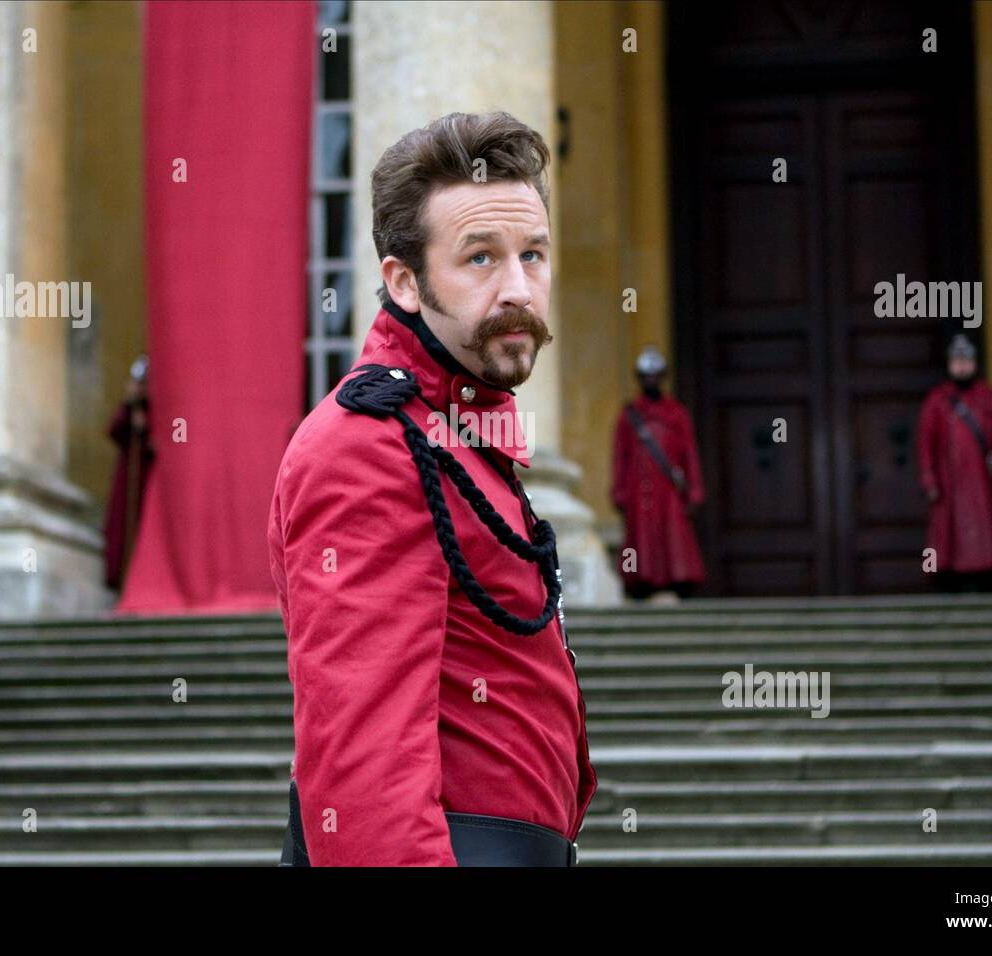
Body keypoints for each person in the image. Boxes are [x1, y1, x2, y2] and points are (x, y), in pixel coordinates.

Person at [268, 112, 596, 866]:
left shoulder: (456, 430)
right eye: (480, 258)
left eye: (534, 255)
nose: (520, 288)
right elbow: (363, 767)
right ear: (404, 282)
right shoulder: (368, 447)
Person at [916, 334, 992, 593]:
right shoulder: (937, 401)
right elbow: (925, 443)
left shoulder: (989, 397)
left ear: (975, 364)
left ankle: (986, 577)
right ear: (950, 365)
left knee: (984, 532)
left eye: (966, 361)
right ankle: (945, 578)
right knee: (946, 536)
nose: (962, 366)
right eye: (957, 361)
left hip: (980, 482)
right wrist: (929, 478)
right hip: (948, 482)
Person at [610, 346, 706, 600]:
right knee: (641, 537)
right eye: (646, 375)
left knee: (673, 535)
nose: (651, 380)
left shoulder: (676, 413)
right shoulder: (629, 415)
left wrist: (694, 490)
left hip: (668, 488)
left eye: (655, 375)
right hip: (638, 489)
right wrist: (619, 490)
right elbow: (621, 455)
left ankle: (678, 581)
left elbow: (689, 454)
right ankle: (641, 582)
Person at [102, 355, 154, 591]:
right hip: (128, 479)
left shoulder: (156, 412)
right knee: (123, 531)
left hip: (148, 482)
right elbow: (114, 431)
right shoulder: (129, 411)